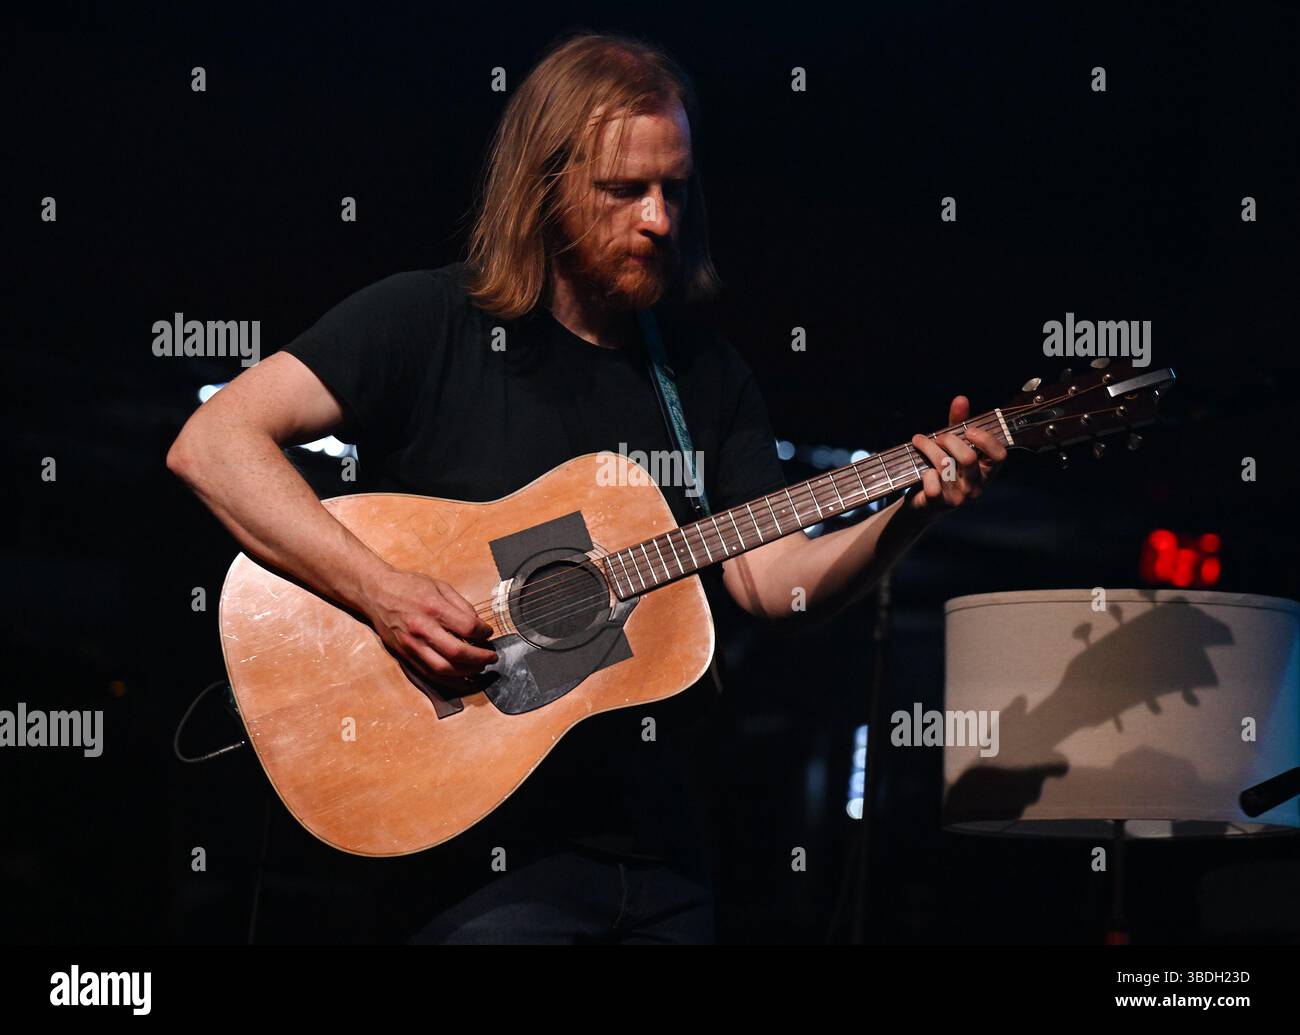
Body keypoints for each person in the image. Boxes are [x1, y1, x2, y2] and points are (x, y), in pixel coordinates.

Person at [166, 32, 1005, 944]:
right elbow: (214, 443)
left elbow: (774, 584)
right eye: (624, 190)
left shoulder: (702, 376)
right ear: (545, 184)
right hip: (476, 870)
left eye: (674, 189)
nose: (659, 220)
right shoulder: (427, 322)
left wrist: (908, 513)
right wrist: (383, 592)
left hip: (663, 859)